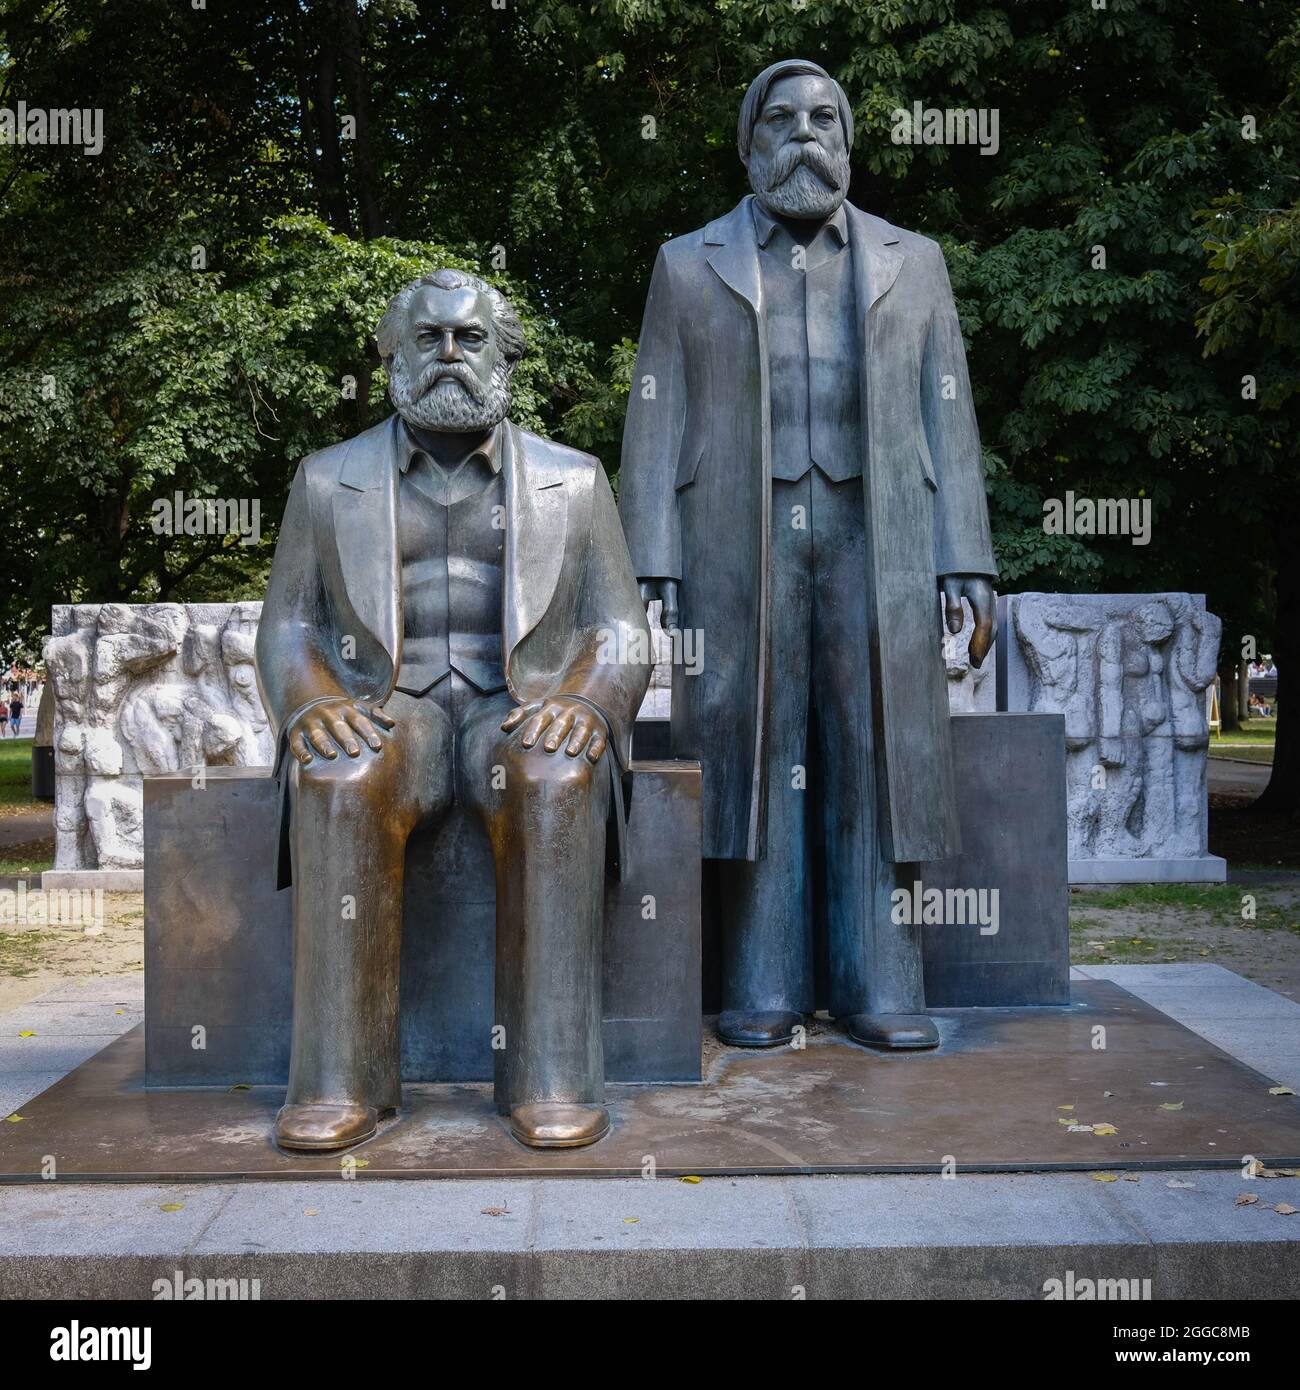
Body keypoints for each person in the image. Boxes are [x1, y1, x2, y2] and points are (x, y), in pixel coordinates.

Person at [619, 59, 997, 1051]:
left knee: (880, 751)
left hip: (881, 533)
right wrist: (649, 559)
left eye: (823, 119)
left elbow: (948, 412)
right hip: (734, 538)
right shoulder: (687, 264)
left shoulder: (915, 261)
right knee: (755, 752)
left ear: (849, 141)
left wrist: (966, 554)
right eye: (780, 120)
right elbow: (656, 411)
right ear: (748, 146)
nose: (803, 135)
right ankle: (763, 981)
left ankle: (882, 982)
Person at [255, 269, 650, 1153]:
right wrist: (311, 701)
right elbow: (287, 629)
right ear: (391, 356)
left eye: (469, 338)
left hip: (521, 706)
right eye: (426, 338)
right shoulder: (326, 480)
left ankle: (551, 1077)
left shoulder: (575, 480)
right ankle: (337, 1083)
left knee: (553, 777)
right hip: (387, 705)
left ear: (504, 355)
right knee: (341, 776)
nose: (448, 355)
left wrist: (588, 701)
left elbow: (621, 629)